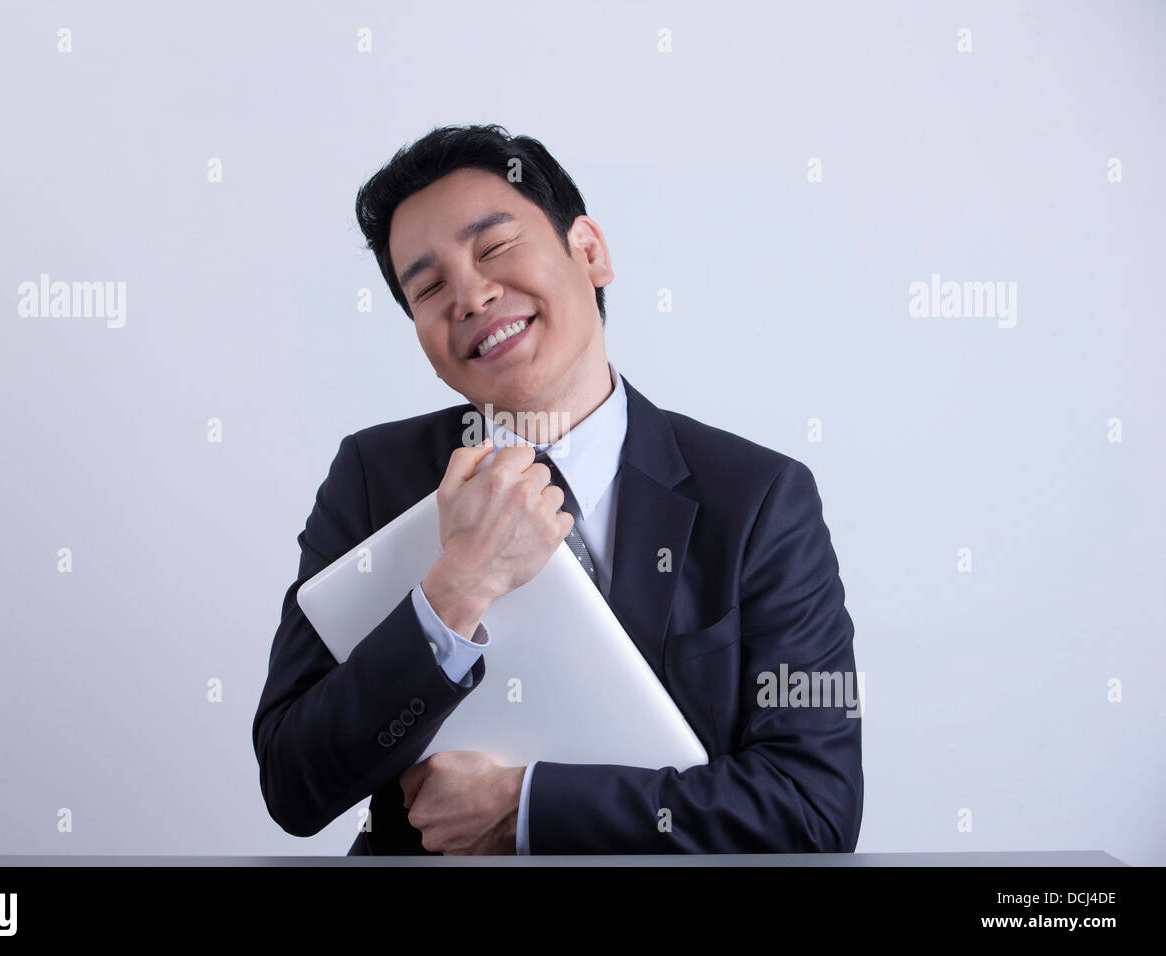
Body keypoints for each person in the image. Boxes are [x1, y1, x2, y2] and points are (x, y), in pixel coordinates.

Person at [252, 124, 863, 855]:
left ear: (590, 251)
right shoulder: (372, 476)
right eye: (429, 286)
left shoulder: (760, 499)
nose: (471, 296)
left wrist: (525, 803)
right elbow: (293, 784)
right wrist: (453, 591)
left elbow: (813, 810)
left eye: (495, 248)